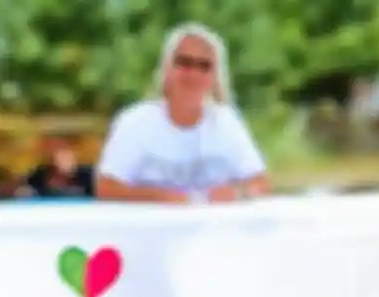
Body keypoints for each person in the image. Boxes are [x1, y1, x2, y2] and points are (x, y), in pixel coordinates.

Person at [95, 22, 270, 204]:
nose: (193, 74)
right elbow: (106, 187)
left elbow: (260, 183)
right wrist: (163, 198)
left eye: (204, 66)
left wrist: (237, 192)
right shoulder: (134, 122)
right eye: (184, 62)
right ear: (167, 69)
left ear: (215, 76)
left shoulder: (227, 122)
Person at [21, 139, 95, 198]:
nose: (68, 164)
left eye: (70, 160)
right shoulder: (37, 182)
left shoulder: (86, 179)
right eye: (63, 160)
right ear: (54, 163)